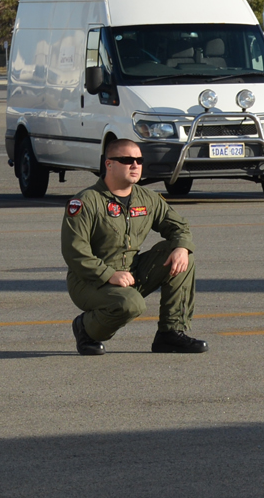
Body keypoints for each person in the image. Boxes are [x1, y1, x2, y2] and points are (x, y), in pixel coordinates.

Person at [62, 141, 207, 354]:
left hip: (130, 272)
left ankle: (170, 333)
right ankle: (86, 328)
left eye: (139, 160)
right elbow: (74, 251)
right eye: (127, 160)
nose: (135, 165)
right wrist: (108, 274)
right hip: (90, 281)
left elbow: (179, 227)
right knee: (131, 304)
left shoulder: (146, 198)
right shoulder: (86, 201)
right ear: (109, 164)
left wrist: (182, 248)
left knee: (181, 256)